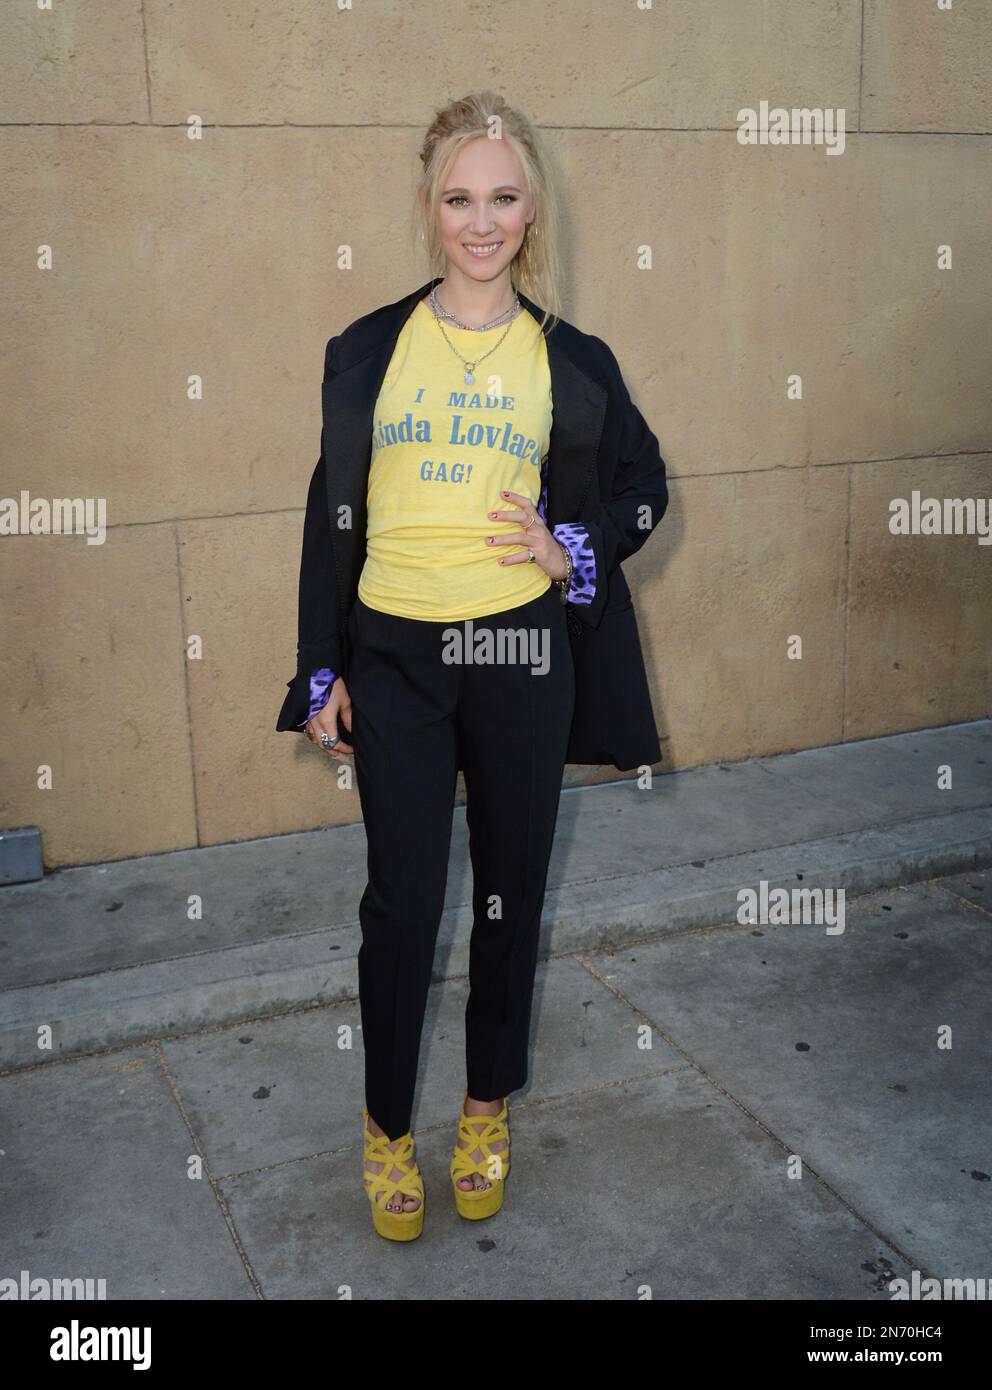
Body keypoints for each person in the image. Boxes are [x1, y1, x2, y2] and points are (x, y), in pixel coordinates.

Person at [276, 91, 669, 1241]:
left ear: (529, 207)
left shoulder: (573, 363)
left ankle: (484, 1109)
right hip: (394, 658)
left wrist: (573, 548)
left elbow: (645, 488)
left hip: (515, 655)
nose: (480, 220)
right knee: (401, 904)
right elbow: (326, 521)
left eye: (501, 196)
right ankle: (386, 1129)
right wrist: (317, 670)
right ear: (429, 207)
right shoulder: (366, 351)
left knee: (507, 895)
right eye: (459, 198)